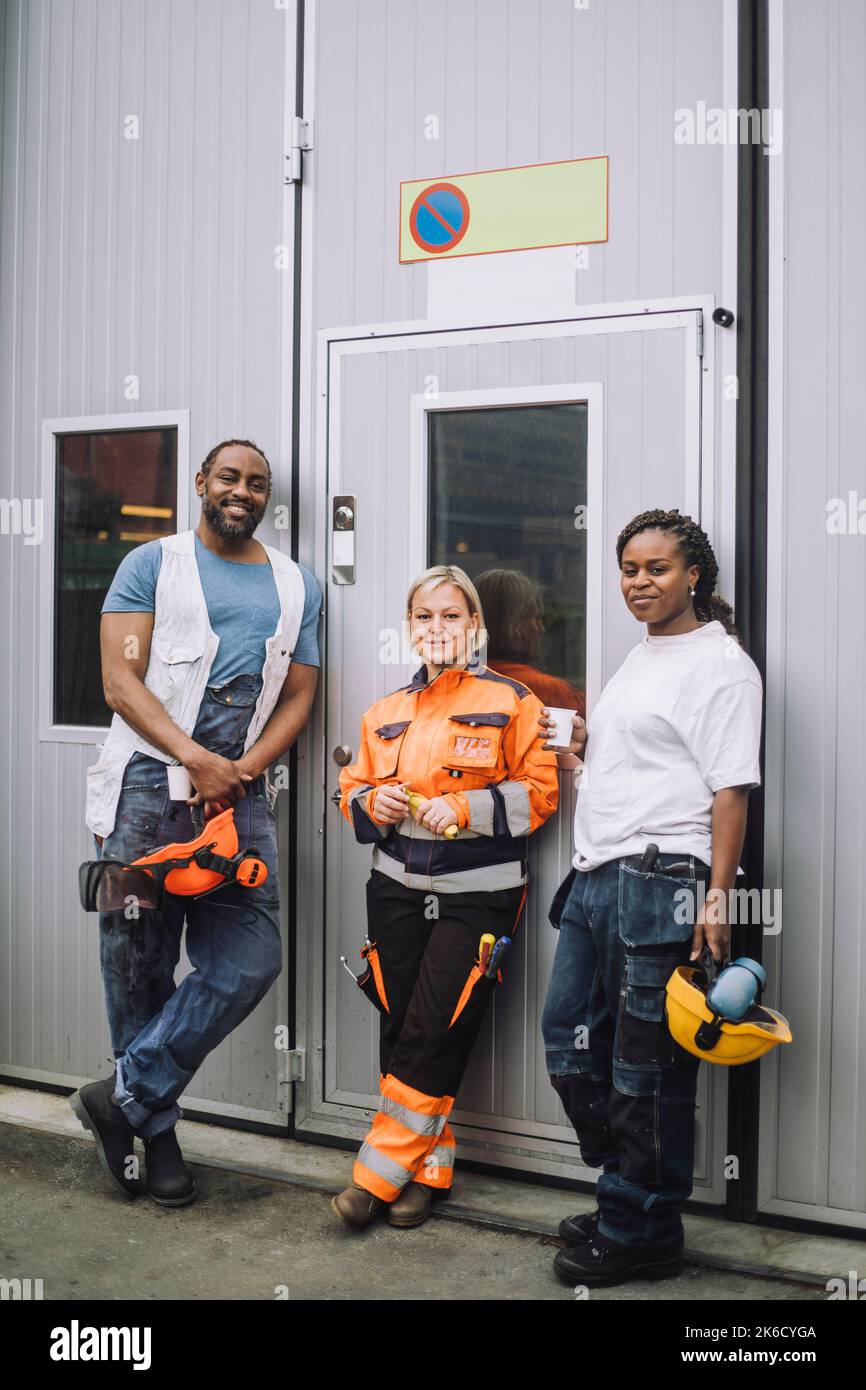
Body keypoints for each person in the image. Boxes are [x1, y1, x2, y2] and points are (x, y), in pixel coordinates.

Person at [71, 439, 321, 1206]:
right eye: (230, 478)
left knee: (249, 960)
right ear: (202, 483)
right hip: (145, 790)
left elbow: (299, 696)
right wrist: (192, 757)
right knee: (139, 966)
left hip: (235, 802)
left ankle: (125, 1097)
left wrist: (238, 773)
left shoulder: (295, 582)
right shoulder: (151, 564)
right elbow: (121, 680)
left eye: (257, 483)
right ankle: (160, 1138)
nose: (242, 491)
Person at [540, 509, 762, 1288]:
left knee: (647, 1069)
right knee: (569, 1038)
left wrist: (716, 904)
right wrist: (583, 753)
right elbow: (645, 758)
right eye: (630, 568)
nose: (640, 582)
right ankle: (622, 1193)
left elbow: (730, 790)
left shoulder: (722, 665)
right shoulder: (642, 655)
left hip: (664, 879)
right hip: (599, 874)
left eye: (658, 568)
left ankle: (643, 1227)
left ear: (693, 574)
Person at [334, 564, 559, 1229]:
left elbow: (539, 794)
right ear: (410, 629)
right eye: (424, 617)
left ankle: (374, 1176)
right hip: (394, 889)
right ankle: (424, 1173)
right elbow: (351, 797)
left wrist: (467, 806)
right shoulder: (385, 713)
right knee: (402, 1024)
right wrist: (372, 799)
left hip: (480, 896)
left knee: (438, 1022)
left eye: (451, 616)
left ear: (476, 626)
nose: (437, 628)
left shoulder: (516, 702)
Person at [474, 568, 586, 716]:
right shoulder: (548, 690)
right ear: (511, 623)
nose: (541, 628)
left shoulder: (457, 683)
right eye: (535, 617)